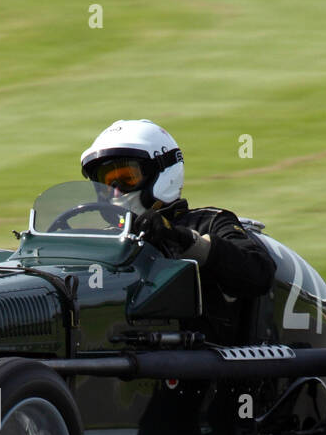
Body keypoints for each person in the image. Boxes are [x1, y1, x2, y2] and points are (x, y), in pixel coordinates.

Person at [80, 119, 276, 300]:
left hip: (192, 335)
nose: (115, 192)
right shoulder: (102, 241)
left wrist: (182, 239)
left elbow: (260, 274)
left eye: (127, 178)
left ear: (163, 172)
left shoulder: (208, 222)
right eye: (105, 184)